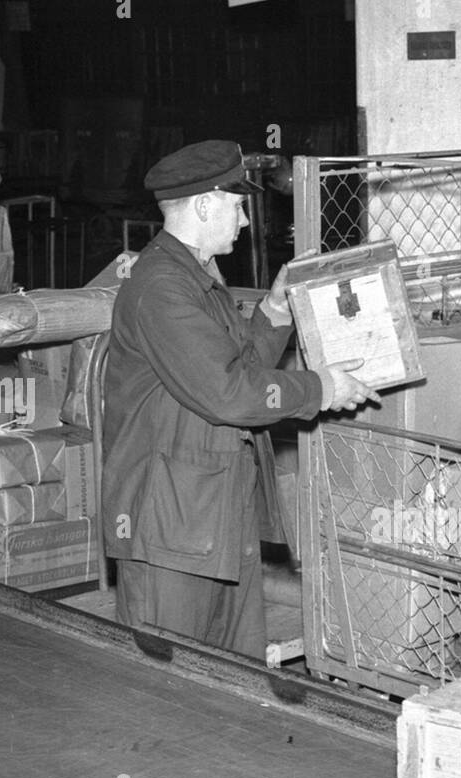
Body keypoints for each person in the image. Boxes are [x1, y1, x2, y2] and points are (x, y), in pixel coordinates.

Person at [102, 139, 376, 659]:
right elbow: (228, 395)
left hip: (213, 515)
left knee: (235, 680)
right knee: (166, 690)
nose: (246, 221)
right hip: (170, 530)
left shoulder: (195, 275)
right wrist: (320, 388)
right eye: (237, 204)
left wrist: (275, 308)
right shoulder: (161, 288)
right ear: (205, 204)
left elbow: (235, 367)